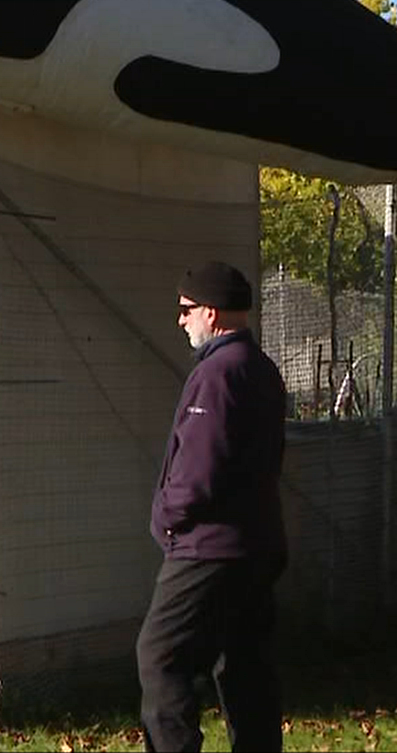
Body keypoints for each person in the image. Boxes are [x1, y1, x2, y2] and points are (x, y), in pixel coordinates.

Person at [137, 261, 288, 753]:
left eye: (186, 309)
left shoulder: (218, 374)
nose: (180, 320)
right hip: (256, 544)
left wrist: (167, 516)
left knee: (161, 656)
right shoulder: (260, 368)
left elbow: (198, 469)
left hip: (209, 549)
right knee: (245, 663)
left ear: (212, 312)